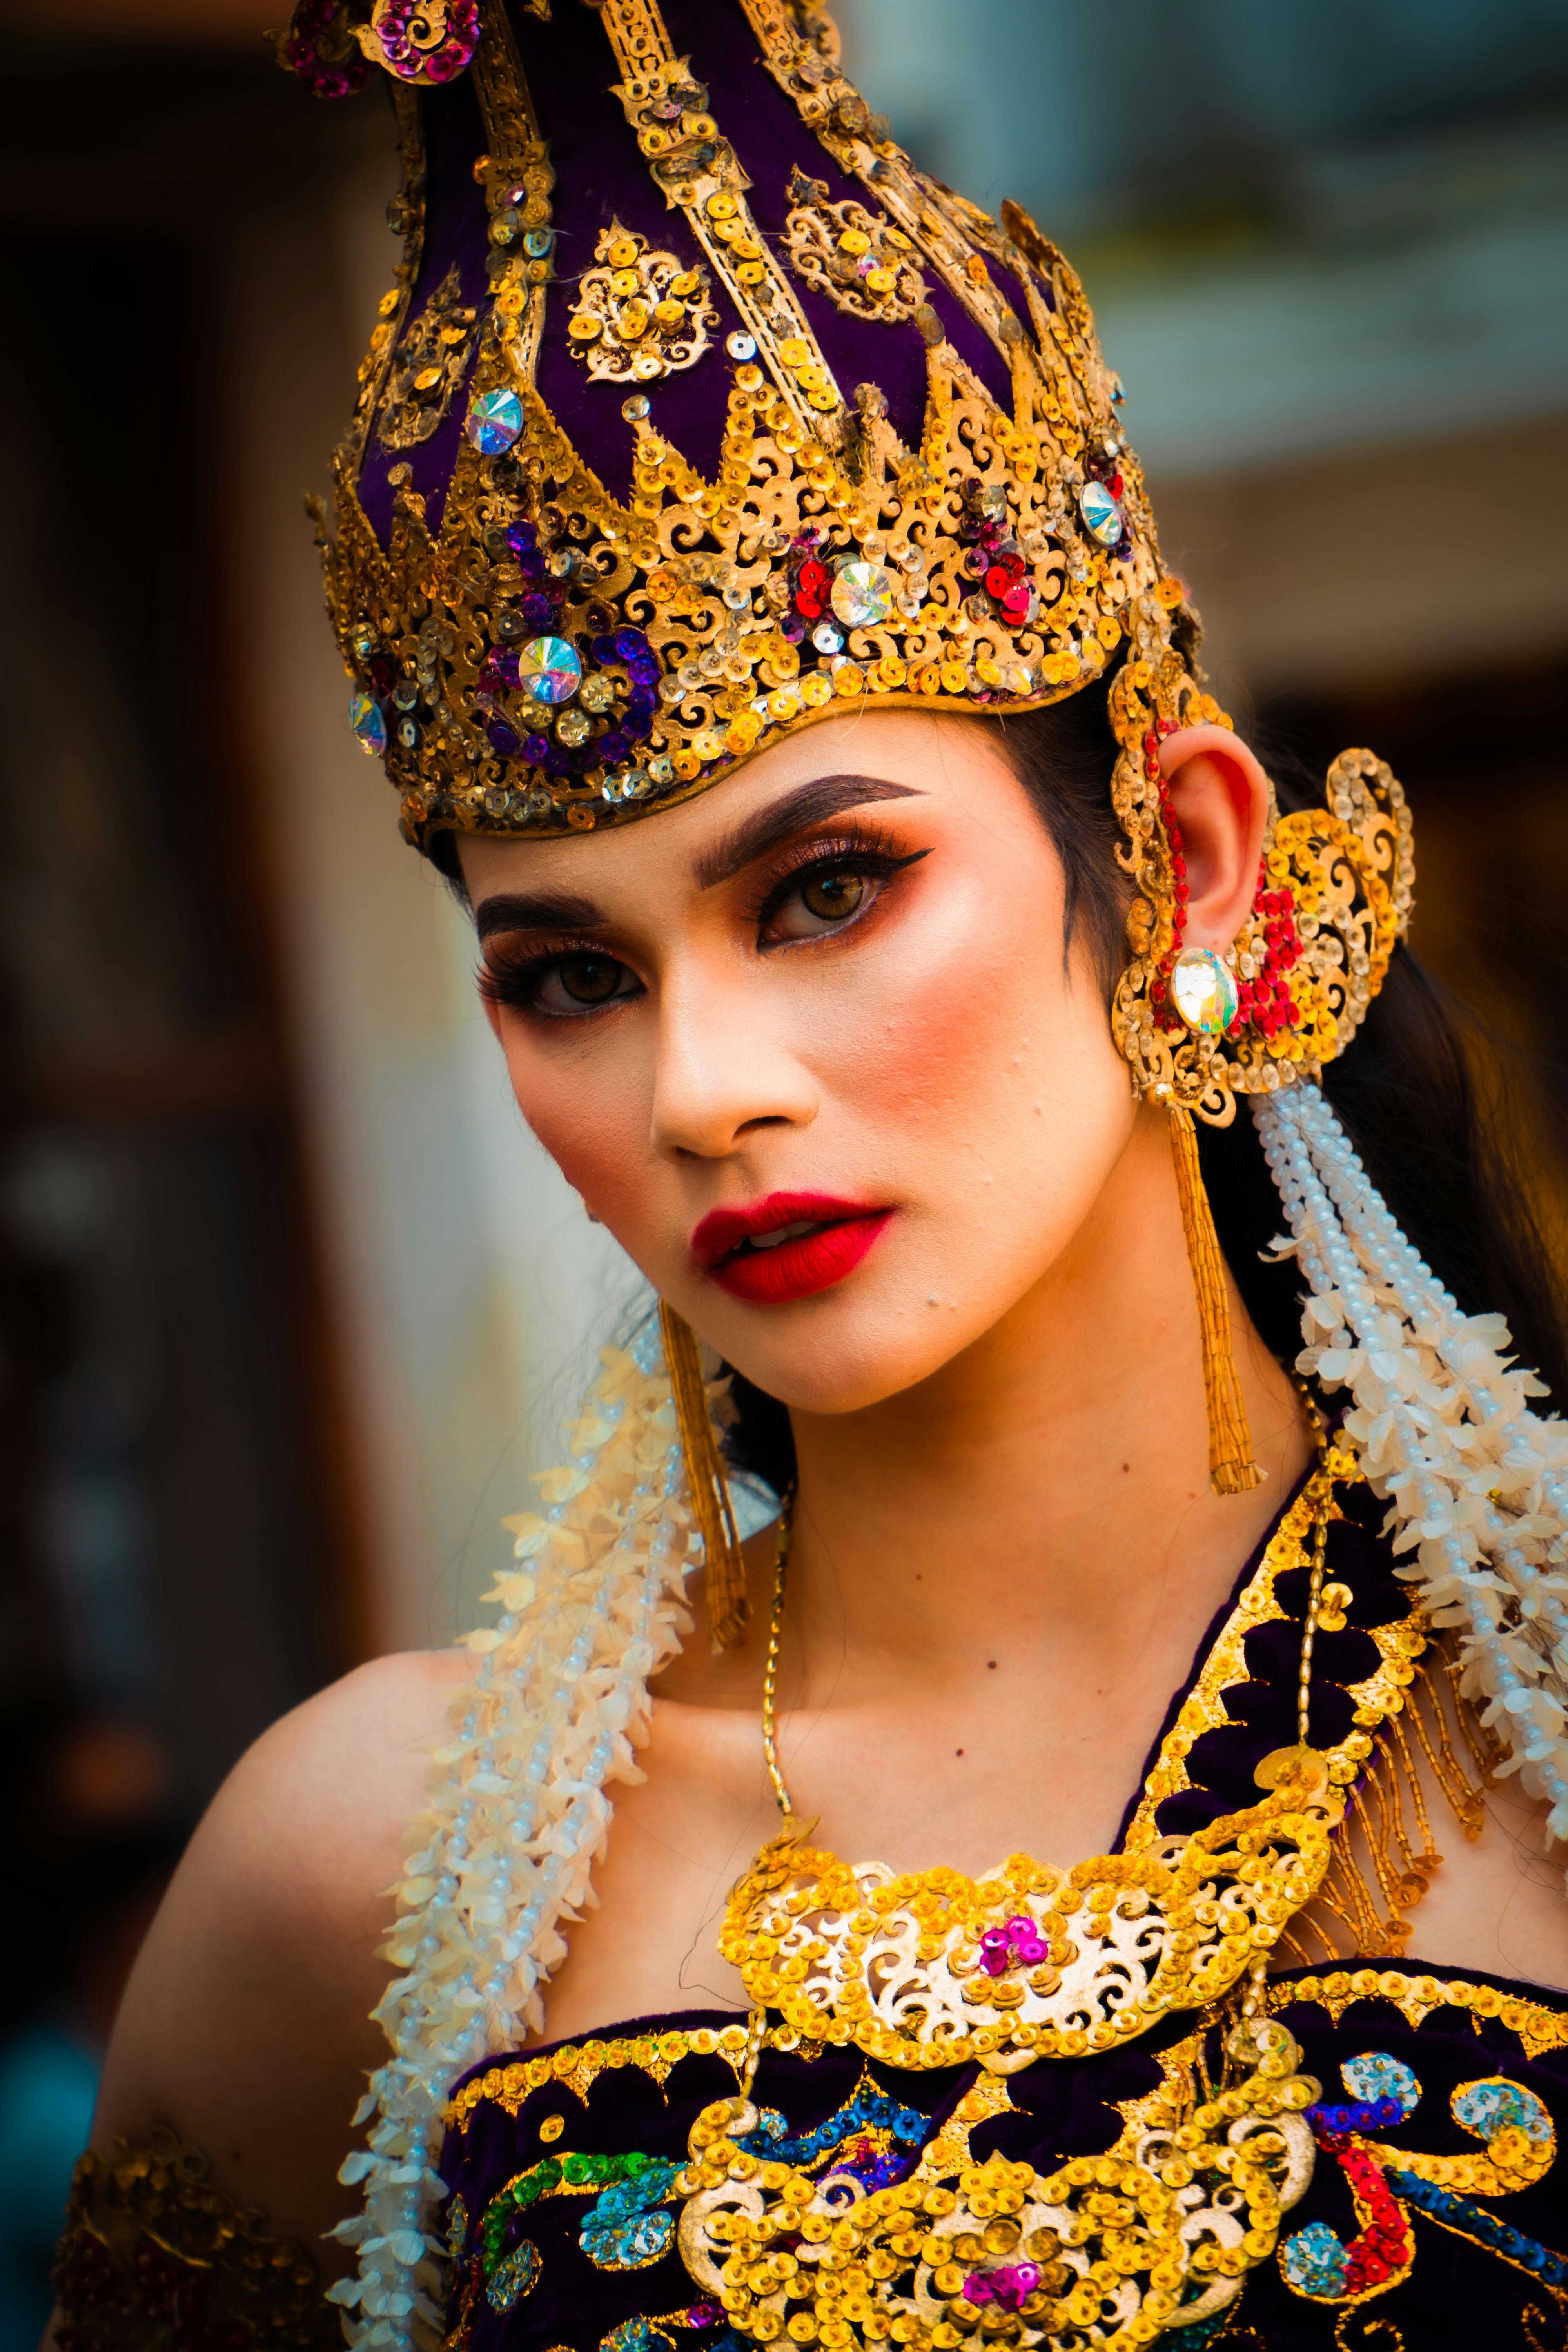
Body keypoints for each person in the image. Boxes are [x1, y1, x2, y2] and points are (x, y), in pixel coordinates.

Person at [47, 1, 1568, 2345]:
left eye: (827, 890)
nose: (700, 1088)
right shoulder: (373, 1880)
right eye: (568, 972)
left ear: (1177, 865)